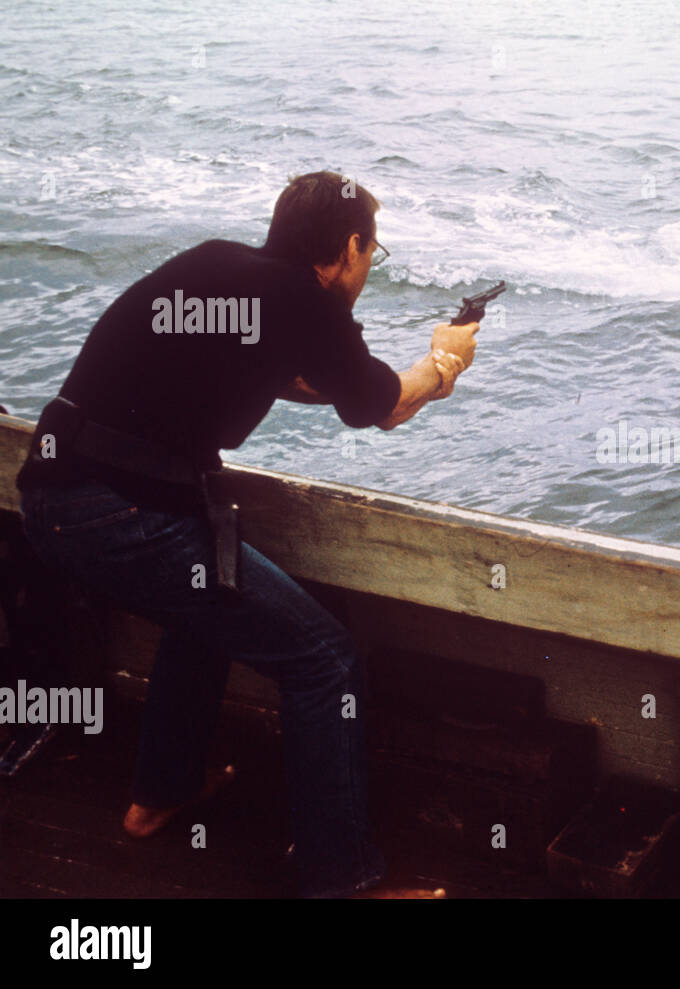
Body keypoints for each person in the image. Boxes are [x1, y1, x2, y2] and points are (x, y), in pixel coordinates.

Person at [14, 171, 477, 897]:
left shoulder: (219, 263)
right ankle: (342, 879)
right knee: (324, 659)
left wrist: (380, 377)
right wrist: (445, 360)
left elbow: (294, 375)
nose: (367, 266)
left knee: (205, 609)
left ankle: (158, 794)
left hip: (50, 497)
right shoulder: (305, 298)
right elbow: (381, 406)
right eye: (371, 252)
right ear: (350, 247)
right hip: (121, 515)